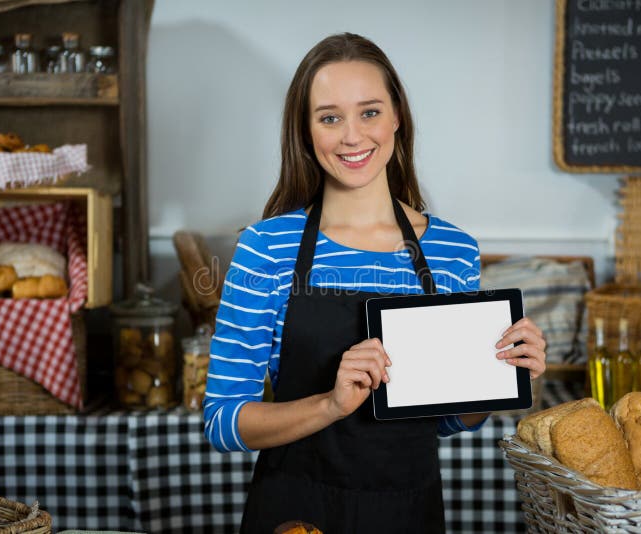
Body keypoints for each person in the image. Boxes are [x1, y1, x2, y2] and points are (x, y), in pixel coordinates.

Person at [203, 32, 547, 534]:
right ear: (306, 130)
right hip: (296, 514)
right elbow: (222, 422)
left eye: (369, 112)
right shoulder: (266, 248)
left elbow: (446, 420)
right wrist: (330, 404)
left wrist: (499, 382)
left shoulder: (452, 251)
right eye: (329, 117)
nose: (351, 136)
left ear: (396, 118)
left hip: (409, 513)